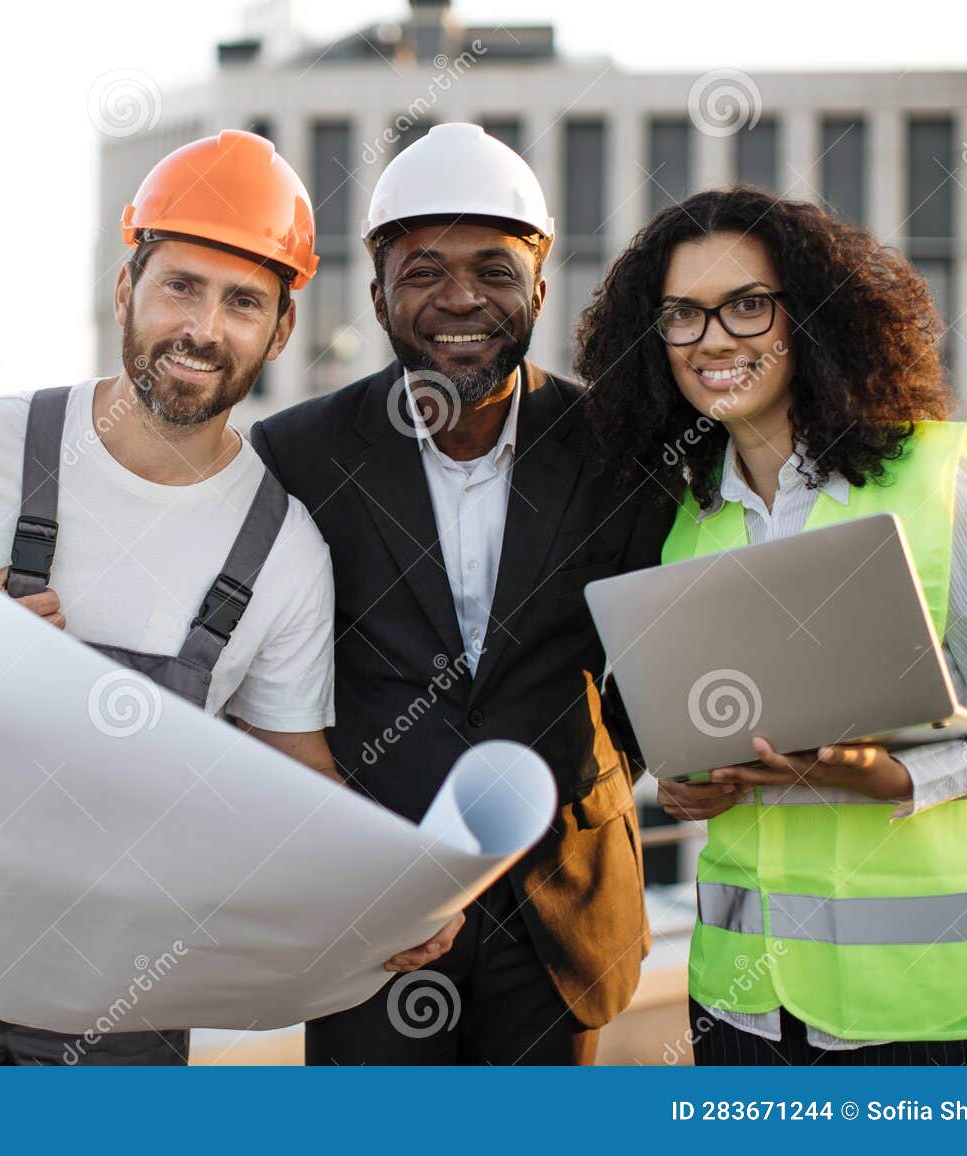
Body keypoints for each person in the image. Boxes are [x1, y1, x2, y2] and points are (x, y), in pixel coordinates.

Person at [0, 129, 427, 1066]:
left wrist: (389, 894)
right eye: (181, 287)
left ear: (281, 329)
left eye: (243, 301)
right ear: (125, 291)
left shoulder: (284, 549)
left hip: (130, 1004)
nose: (205, 327)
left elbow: (297, 773)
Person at [577, 185, 967, 1065]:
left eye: (747, 305)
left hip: (940, 1012)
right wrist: (689, 784)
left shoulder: (931, 481)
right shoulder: (686, 523)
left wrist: (900, 779)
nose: (714, 339)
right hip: (748, 1014)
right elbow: (707, 735)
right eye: (682, 316)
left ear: (808, 319)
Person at [250, 123, 672, 1065]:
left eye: (492, 269)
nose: (460, 299)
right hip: (375, 917)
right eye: (424, 271)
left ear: (539, 286)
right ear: (379, 295)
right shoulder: (297, 455)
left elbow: (647, 676)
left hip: (561, 915)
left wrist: (576, 793)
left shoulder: (624, 449)